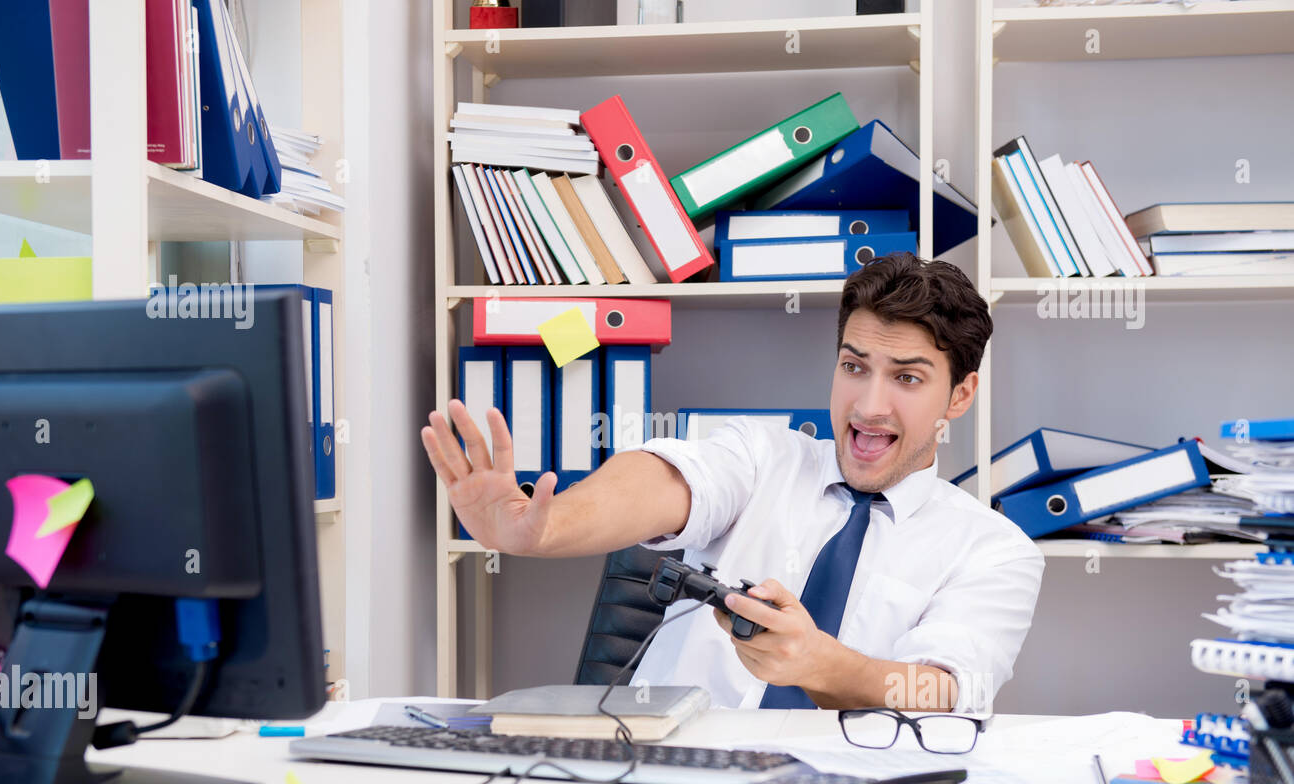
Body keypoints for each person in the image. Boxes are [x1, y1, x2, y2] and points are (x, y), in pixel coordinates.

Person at [421, 253, 1044, 712]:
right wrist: (546, 528)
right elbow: (667, 479)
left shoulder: (993, 549)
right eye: (854, 367)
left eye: (907, 379)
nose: (869, 406)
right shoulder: (762, 453)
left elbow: (947, 688)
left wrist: (823, 666)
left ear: (959, 395)